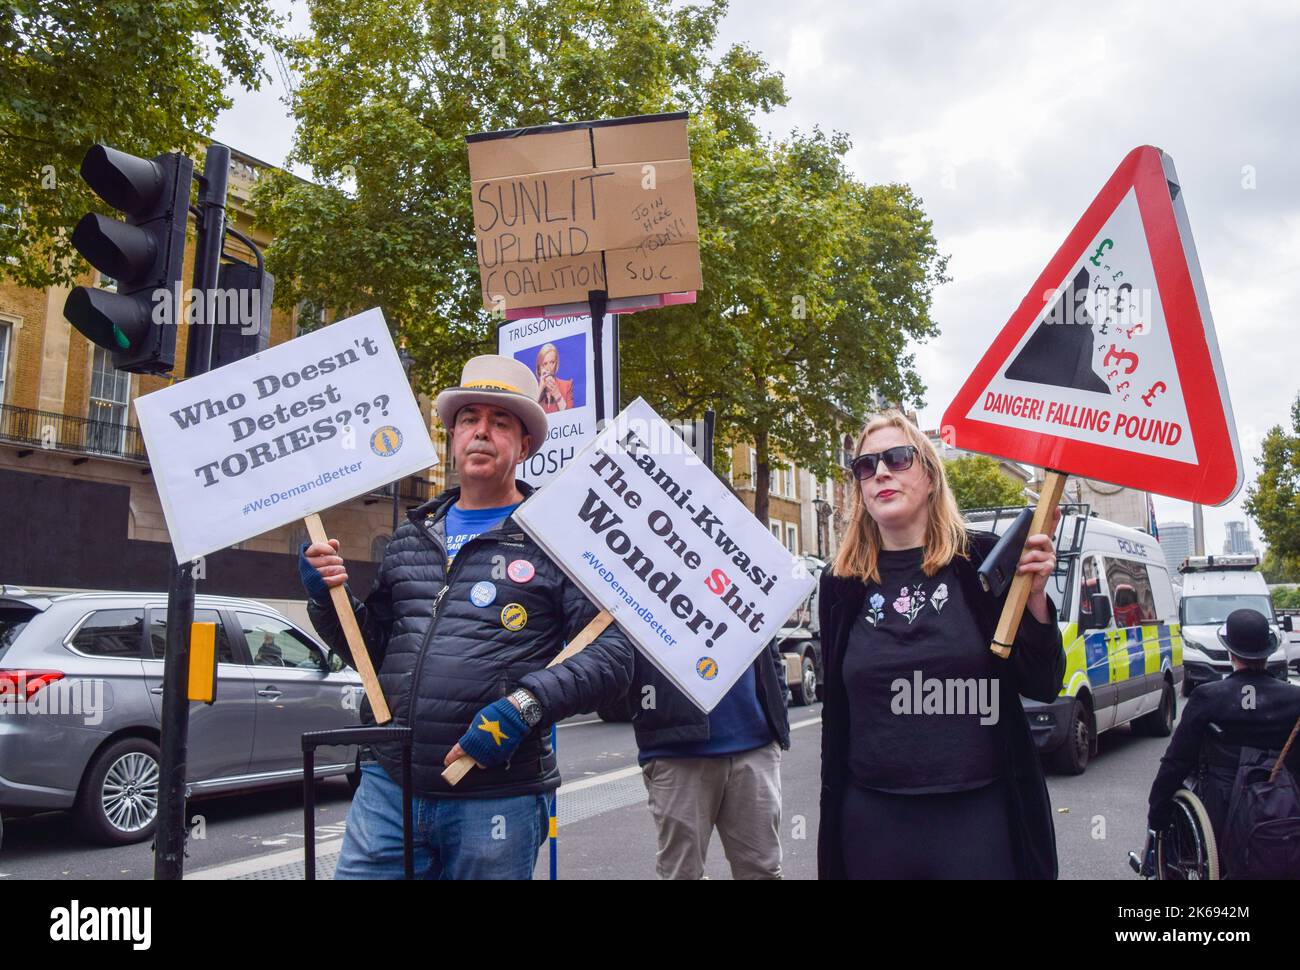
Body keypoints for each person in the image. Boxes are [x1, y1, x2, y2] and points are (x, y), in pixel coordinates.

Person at [299, 354, 634, 879]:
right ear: (452, 436)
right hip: (390, 785)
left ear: (524, 446)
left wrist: (524, 706)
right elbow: (376, 648)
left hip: (495, 795)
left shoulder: (560, 538)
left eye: (500, 422)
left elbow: (612, 657)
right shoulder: (413, 534)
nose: (481, 432)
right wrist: (326, 597)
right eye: (469, 420)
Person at [817, 410, 1065, 879]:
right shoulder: (841, 584)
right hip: (872, 820)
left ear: (930, 476)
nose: (881, 473)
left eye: (896, 458)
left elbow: (1043, 681)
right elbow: (836, 709)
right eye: (865, 466)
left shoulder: (982, 562)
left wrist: (1034, 597)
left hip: (976, 817)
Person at [630, 637, 790, 880]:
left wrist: (777, 719)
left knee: (763, 872)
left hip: (755, 744)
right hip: (676, 749)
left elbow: (768, 645)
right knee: (682, 874)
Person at [1145, 608, 1300, 847]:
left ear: (1231, 653)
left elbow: (1177, 760)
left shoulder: (1208, 696)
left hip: (1220, 806)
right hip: (1285, 804)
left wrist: (1157, 809)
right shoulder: (1294, 698)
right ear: (1267, 653)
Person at [534, 342, 574, 413]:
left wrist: (557, 394)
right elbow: (528, 415)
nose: (548, 368)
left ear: (556, 364)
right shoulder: (533, 388)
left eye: (552, 362)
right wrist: (540, 389)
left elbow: (571, 416)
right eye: (544, 364)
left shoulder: (567, 386)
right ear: (539, 368)